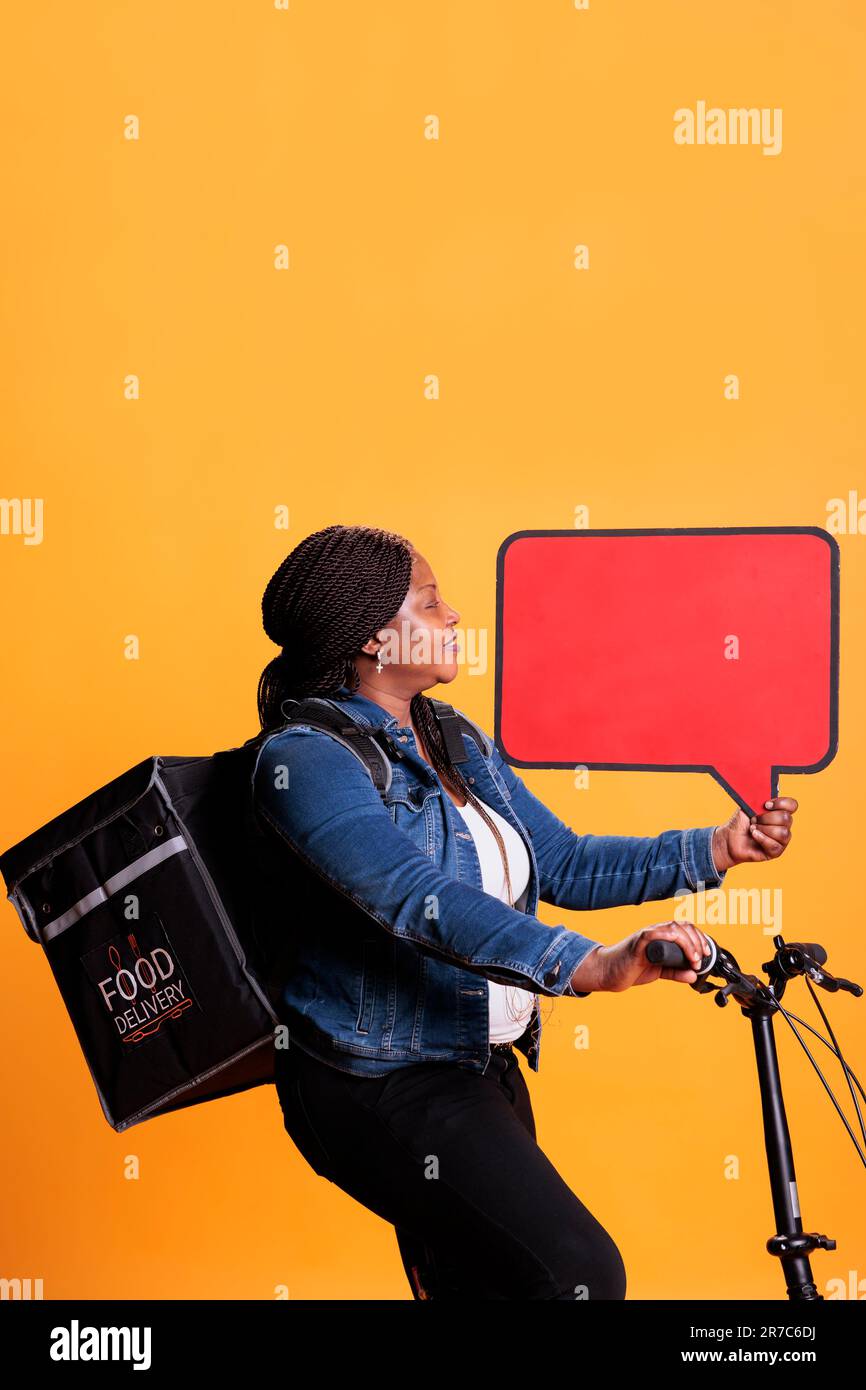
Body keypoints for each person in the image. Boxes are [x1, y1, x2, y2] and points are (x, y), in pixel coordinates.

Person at [251, 523, 797, 1300]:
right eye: (430, 602)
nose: (453, 616)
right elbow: (417, 899)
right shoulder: (305, 759)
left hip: (482, 1063)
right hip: (378, 1081)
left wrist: (716, 847)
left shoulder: (452, 737)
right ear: (374, 635)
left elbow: (563, 860)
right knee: (577, 1274)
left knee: (486, 1288)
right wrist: (588, 964)